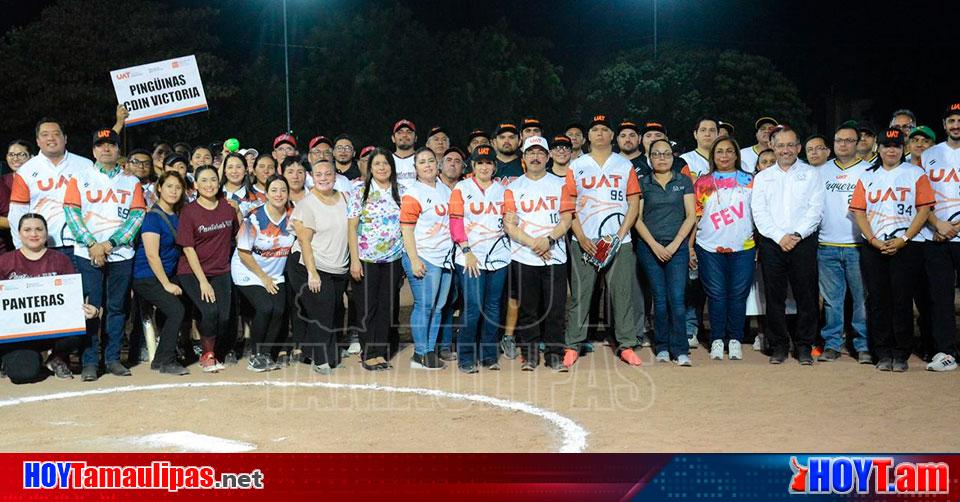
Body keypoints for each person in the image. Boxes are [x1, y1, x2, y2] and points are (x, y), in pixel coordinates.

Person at [64, 128, 147, 381]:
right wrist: (92, 244)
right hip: (86, 252)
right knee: (91, 308)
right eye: (100, 145)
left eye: (111, 144)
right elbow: (72, 214)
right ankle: (90, 361)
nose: (106, 148)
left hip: (120, 254)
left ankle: (112, 359)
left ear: (118, 150)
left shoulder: (131, 182)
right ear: (93, 150)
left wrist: (108, 245)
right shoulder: (79, 178)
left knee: (117, 308)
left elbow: (137, 216)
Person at [561, 114, 642, 368]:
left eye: (605, 129)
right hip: (585, 240)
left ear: (611, 135)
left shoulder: (624, 165)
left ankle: (626, 345)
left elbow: (633, 203)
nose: (599, 133)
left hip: (619, 241)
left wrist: (620, 235)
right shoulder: (577, 165)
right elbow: (569, 205)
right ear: (588, 136)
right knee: (581, 295)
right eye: (595, 129)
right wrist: (581, 237)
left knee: (622, 294)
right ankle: (573, 345)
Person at [850, 127, 933, 372]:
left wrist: (904, 238)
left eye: (896, 146)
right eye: (887, 145)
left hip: (907, 246)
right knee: (878, 300)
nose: (891, 150)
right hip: (874, 246)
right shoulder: (867, 175)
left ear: (902, 148)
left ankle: (901, 353)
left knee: (902, 300)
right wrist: (873, 240)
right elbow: (859, 212)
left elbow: (924, 210)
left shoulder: (915, 173)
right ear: (879, 148)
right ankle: (882, 352)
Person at [751, 126, 824, 365]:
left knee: (806, 296)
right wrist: (779, 236)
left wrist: (797, 234)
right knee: (774, 297)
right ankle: (779, 345)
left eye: (790, 145)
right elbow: (759, 211)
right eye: (780, 145)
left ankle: (804, 345)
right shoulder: (763, 177)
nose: (785, 150)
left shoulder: (811, 174)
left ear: (798, 148)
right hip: (773, 243)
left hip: (803, 241)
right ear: (772, 147)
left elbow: (815, 209)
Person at [503, 136, 573, 371]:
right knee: (528, 310)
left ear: (548, 156)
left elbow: (567, 219)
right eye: (530, 153)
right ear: (523, 157)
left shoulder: (560, 185)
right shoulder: (513, 188)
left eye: (540, 152)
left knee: (555, 309)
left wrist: (549, 240)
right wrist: (535, 243)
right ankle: (530, 355)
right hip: (524, 256)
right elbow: (509, 225)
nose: (535, 157)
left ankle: (554, 354)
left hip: (555, 255)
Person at [0, 214, 98, 383]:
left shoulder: (60, 260)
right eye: (27, 230)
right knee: (23, 375)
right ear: (19, 233)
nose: (34, 234)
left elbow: (71, 298)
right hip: (19, 335)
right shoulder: (5, 261)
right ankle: (22, 359)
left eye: (39, 229)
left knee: (81, 322)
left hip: (53, 331)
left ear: (46, 233)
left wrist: (90, 311)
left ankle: (56, 358)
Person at [691, 137, 755, 361]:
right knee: (716, 295)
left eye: (729, 151)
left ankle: (735, 339)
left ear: (736, 155)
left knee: (738, 295)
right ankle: (717, 339)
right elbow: (694, 217)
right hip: (708, 247)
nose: (724, 155)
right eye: (719, 151)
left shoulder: (750, 181)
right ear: (713, 156)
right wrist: (690, 247)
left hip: (744, 247)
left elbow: (759, 213)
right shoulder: (703, 183)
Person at [449, 144, 510, 373]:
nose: (484, 167)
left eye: (488, 163)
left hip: (499, 256)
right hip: (470, 257)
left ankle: (488, 355)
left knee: (493, 307)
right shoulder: (462, 188)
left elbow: (510, 221)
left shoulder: (503, 190)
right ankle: (466, 356)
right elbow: (455, 222)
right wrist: (467, 251)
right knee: (473, 308)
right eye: (480, 163)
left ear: (494, 166)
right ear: (473, 166)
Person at [634, 139, 696, 365]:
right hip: (650, 248)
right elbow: (637, 219)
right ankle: (662, 346)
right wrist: (654, 245)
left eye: (667, 154)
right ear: (649, 158)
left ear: (673, 156)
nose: (662, 158)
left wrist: (676, 244)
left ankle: (680, 349)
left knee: (677, 299)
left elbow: (691, 216)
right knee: (659, 300)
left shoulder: (684, 181)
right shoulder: (642, 183)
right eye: (657, 154)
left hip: (677, 248)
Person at [175, 165, 239, 372]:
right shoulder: (189, 212)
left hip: (221, 270)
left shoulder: (227, 208)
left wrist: (238, 211)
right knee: (209, 311)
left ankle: (217, 351)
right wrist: (203, 281)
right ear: (195, 185)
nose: (209, 184)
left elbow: (237, 235)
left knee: (225, 316)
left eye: (213, 179)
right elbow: (188, 248)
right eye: (203, 180)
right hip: (193, 271)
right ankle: (207, 354)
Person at [816, 123, 872, 363]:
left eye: (849, 140)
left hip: (858, 245)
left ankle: (863, 345)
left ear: (858, 143)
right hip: (827, 244)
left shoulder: (869, 171)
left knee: (862, 301)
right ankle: (832, 343)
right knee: (832, 301)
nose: (843, 144)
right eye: (839, 140)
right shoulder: (821, 171)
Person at [289, 160, 350, 374]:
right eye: (318, 174)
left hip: (337, 266)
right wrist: (312, 272)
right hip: (309, 264)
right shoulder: (307, 204)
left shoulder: (345, 198)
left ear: (335, 176)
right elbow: (304, 241)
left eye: (328, 174)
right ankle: (321, 359)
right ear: (312, 177)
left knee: (334, 310)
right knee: (322, 311)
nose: (323, 178)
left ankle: (313, 352)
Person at [348, 149, 404, 371]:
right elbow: (351, 227)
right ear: (370, 168)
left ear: (392, 167)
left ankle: (380, 352)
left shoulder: (401, 191)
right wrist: (354, 260)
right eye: (377, 164)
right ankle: (368, 353)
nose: (382, 167)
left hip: (393, 259)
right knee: (367, 307)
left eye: (386, 163)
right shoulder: (359, 191)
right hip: (366, 259)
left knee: (386, 307)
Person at [232, 175, 295, 372]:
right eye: (274, 190)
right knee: (266, 307)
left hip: (275, 272)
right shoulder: (254, 217)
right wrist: (264, 278)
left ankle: (266, 354)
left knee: (279, 310)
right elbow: (243, 253)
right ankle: (256, 355)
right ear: (266, 194)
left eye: (283, 190)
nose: (279, 194)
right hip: (248, 269)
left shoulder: (293, 216)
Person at [400, 148, 454, 370]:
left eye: (431, 160)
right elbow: (406, 229)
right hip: (424, 255)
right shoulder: (413, 193)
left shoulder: (445, 189)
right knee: (424, 305)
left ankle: (429, 350)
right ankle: (420, 353)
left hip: (445, 257)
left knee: (438, 307)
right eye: (422, 162)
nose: (428, 165)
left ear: (437, 164)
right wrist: (414, 259)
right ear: (415, 168)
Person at [131, 171, 189, 375]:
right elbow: (151, 255)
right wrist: (166, 284)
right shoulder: (153, 218)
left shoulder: (177, 215)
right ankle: (166, 360)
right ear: (159, 188)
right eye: (169, 186)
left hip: (165, 274)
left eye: (178, 187)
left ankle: (163, 357)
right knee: (176, 311)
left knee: (177, 308)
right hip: (146, 276)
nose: (174, 191)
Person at [8, 118, 94, 251]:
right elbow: (17, 213)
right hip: (41, 246)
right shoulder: (25, 170)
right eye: (45, 134)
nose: (51, 138)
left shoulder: (86, 165)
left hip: (82, 246)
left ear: (65, 138)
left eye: (56, 134)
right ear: (37, 141)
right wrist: (21, 247)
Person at [920, 102, 960, 372]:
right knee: (940, 298)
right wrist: (938, 225)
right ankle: (946, 352)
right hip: (936, 236)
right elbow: (921, 196)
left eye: (959, 120)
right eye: (951, 121)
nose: (956, 125)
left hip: (952, 232)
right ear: (944, 125)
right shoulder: (929, 154)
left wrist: (954, 226)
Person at [438, 147, 466, 359]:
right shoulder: (432, 186)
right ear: (441, 164)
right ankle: (443, 345)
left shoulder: (468, 187)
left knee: (467, 300)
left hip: (466, 253)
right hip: (440, 253)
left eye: (458, 161)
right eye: (449, 160)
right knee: (445, 301)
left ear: (464, 167)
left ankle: (466, 344)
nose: (453, 164)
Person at [220, 152, 261, 217]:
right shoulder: (215, 192)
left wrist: (238, 212)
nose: (234, 171)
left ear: (246, 170)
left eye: (238, 167)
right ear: (224, 171)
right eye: (230, 167)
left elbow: (255, 222)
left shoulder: (254, 198)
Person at [392, 119, 418, 190]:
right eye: (400, 132)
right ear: (393, 138)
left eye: (409, 132)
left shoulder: (423, 159)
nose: (404, 135)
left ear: (415, 138)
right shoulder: (386, 160)